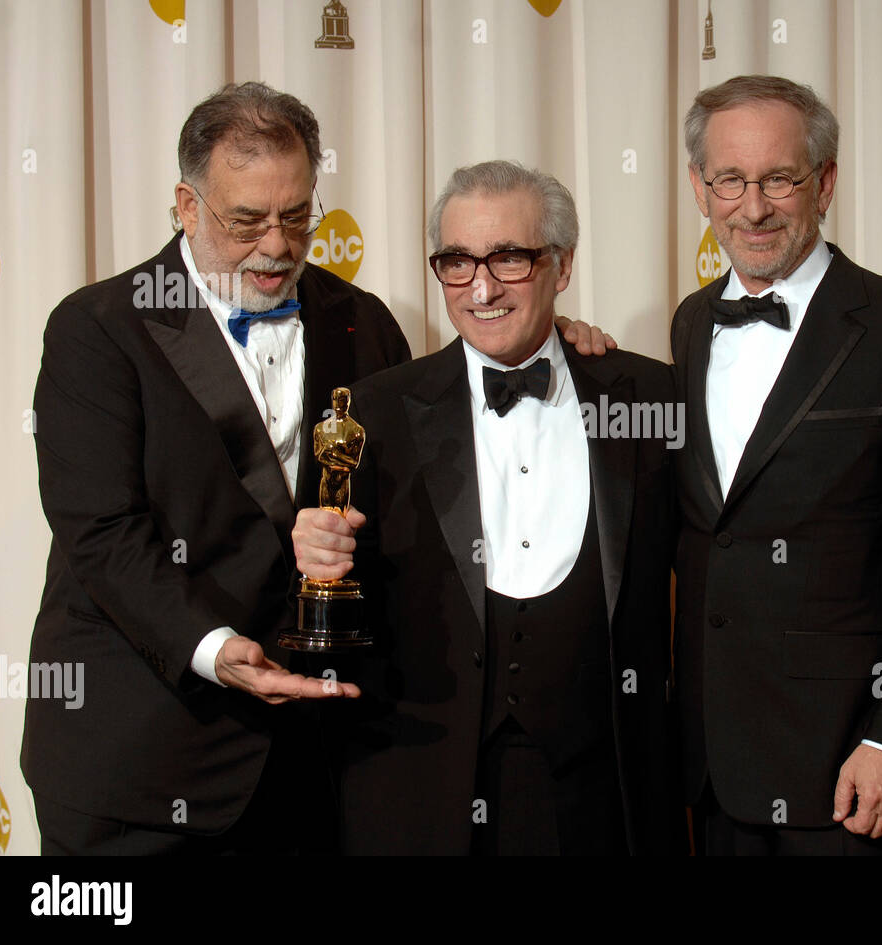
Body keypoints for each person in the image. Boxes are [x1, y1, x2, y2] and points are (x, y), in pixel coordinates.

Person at [21, 82, 611, 855]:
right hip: (141, 760)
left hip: (318, 764)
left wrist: (542, 339)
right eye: (246, 220)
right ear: (187, 207)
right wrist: (212, 647)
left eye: (296, 216)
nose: (276, 244)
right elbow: (102, 536)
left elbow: (439, 457)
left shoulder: (361, 320)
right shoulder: (97, 329)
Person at [292, 161, 681, 855]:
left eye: (509, 257)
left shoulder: (648, 400)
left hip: (605, 796)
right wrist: (313, 557)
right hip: (420, 795)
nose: (482, 286)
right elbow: (330, 597)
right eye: (458, 261)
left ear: (561, 265)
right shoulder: (370, 413)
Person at [670, 75, 882, 854]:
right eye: (730, 179)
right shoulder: (692, 323)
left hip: (845, 772)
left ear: (825, 183)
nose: (754, 206)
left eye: (779, 179)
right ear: (700, 189)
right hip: (709, 768)